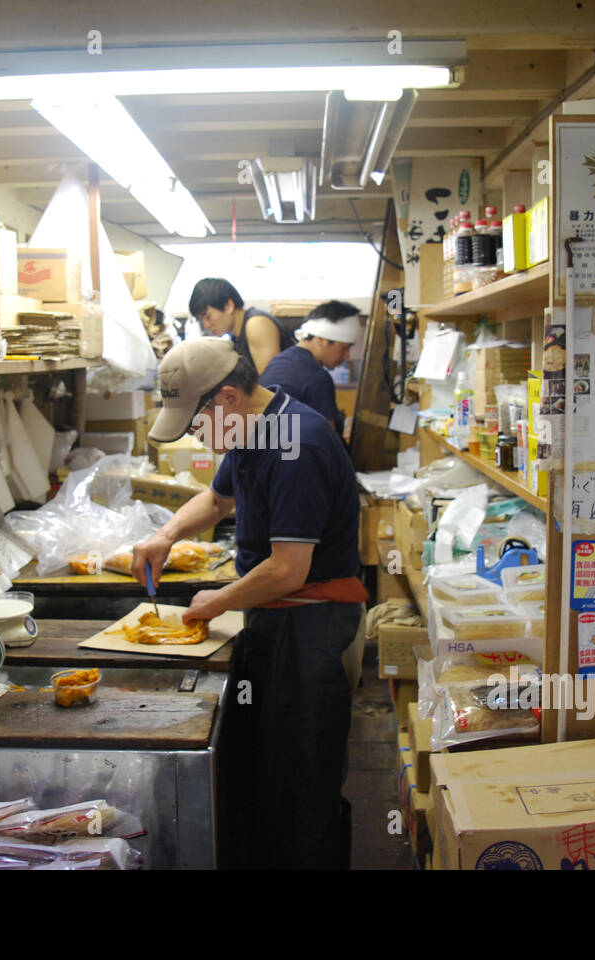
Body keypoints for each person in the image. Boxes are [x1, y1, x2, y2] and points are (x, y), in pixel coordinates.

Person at [132, 337, 366, 869]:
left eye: (195, 423)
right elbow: (218, 498)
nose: (196, 435)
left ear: (228, 399)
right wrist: (165, 535)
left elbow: (288, 568)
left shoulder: (296, 445)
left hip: (313, 630)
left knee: (303, 788)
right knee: (270, 777)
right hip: (276, 619)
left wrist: (217, 601)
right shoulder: (255, 426)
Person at [260, 300, 360, 438]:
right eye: (345, 347)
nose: (347, 355)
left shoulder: (282, 359)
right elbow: (328, 440)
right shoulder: (316, 377)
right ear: (322, 340)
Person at [188, 277, 295, 377]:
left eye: (207, 317)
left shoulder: (256, 324)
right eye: (202, 320)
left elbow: (269, 382)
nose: (206, 325)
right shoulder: (235, 336)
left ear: (228, 306)